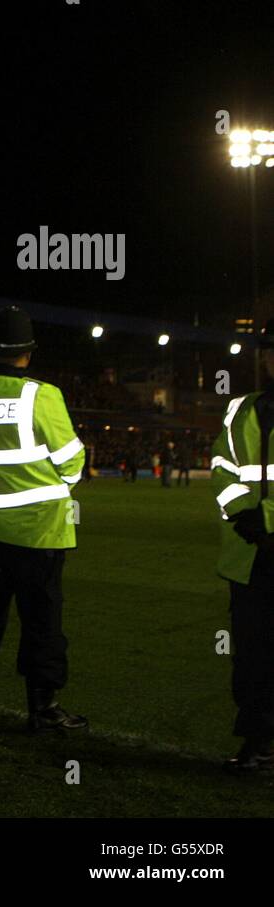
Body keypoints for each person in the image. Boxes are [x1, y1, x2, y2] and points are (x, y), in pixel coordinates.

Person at [0, 306, 86, 731]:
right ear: (28, 353)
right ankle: (43, 707)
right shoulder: (41, 396)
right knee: (42, 622)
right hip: (39, 533)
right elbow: (72, 463)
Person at [210, 318, 274, 773]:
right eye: (269, 350)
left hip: (256, 544)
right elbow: (221, 467)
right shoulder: (242, 409)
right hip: (250, 557)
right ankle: (258, 743)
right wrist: (242, 515)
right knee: (252, 656)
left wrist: (262, 518)